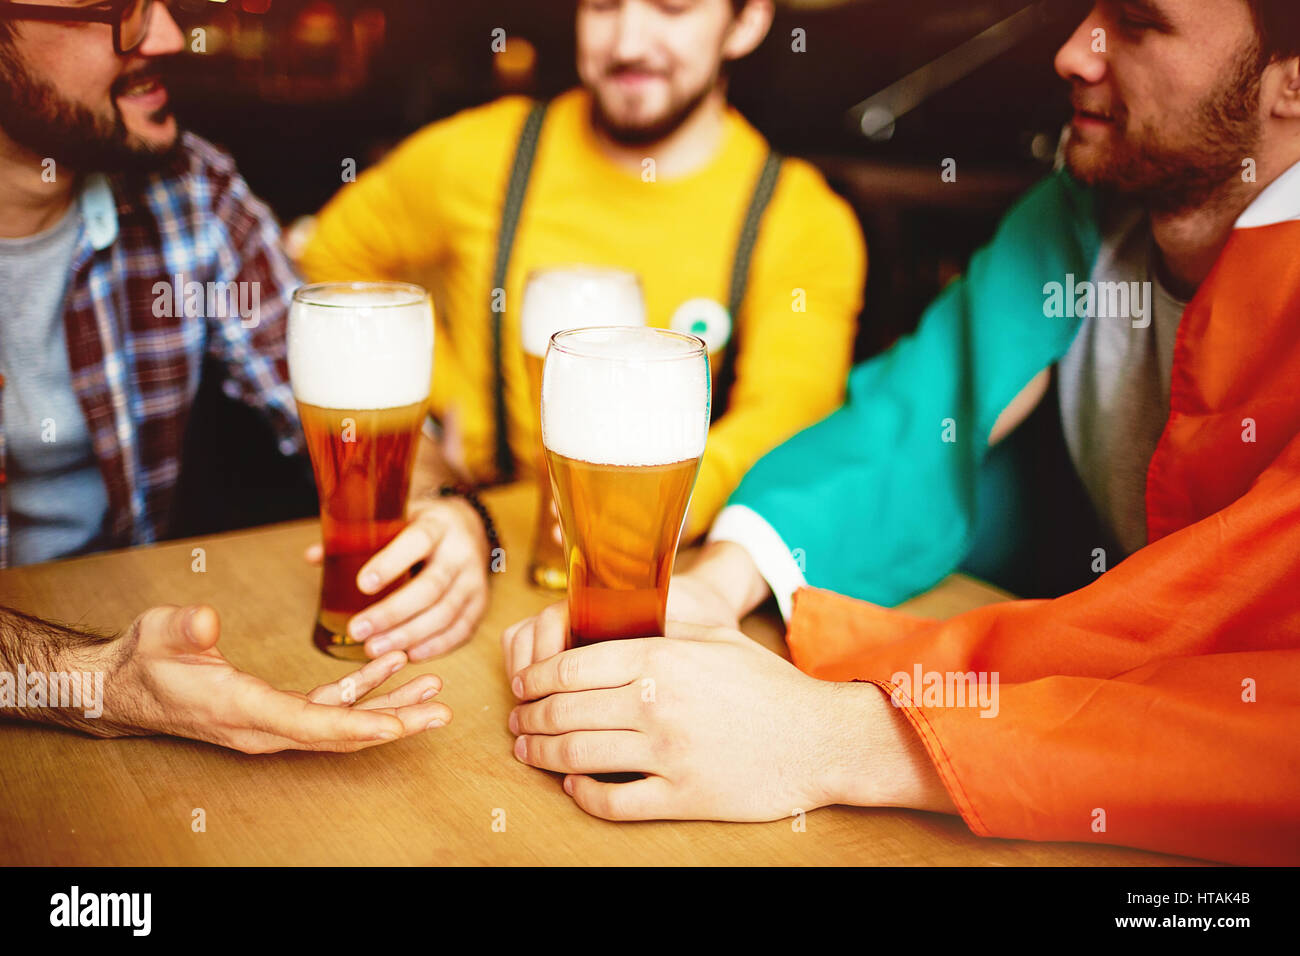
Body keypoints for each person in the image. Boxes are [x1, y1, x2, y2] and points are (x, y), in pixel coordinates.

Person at [501, 0, 1300, 865]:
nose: (1074, 52)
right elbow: (921, 415)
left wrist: (833, 741)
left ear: (1293, 81)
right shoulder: (1091, 200)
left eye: (1139, 23)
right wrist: (711, 590)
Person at [0, 0, 457, 748]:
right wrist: (96, 680)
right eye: (116, 9)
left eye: (166, 3)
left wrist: (452, 513)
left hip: (116, 643)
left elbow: (368, 418)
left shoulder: (191, 192)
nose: (170, 36)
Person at [296, 0, 865, 558]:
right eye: (602, 6)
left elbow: (792, 415)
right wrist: (439, 404)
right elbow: (328, 261)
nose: (628, 43)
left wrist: (667, 500)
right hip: (473, 526)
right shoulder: (481, 151)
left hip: (666, 561)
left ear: (747, 22)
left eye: (672, 8)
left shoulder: (802, 220)